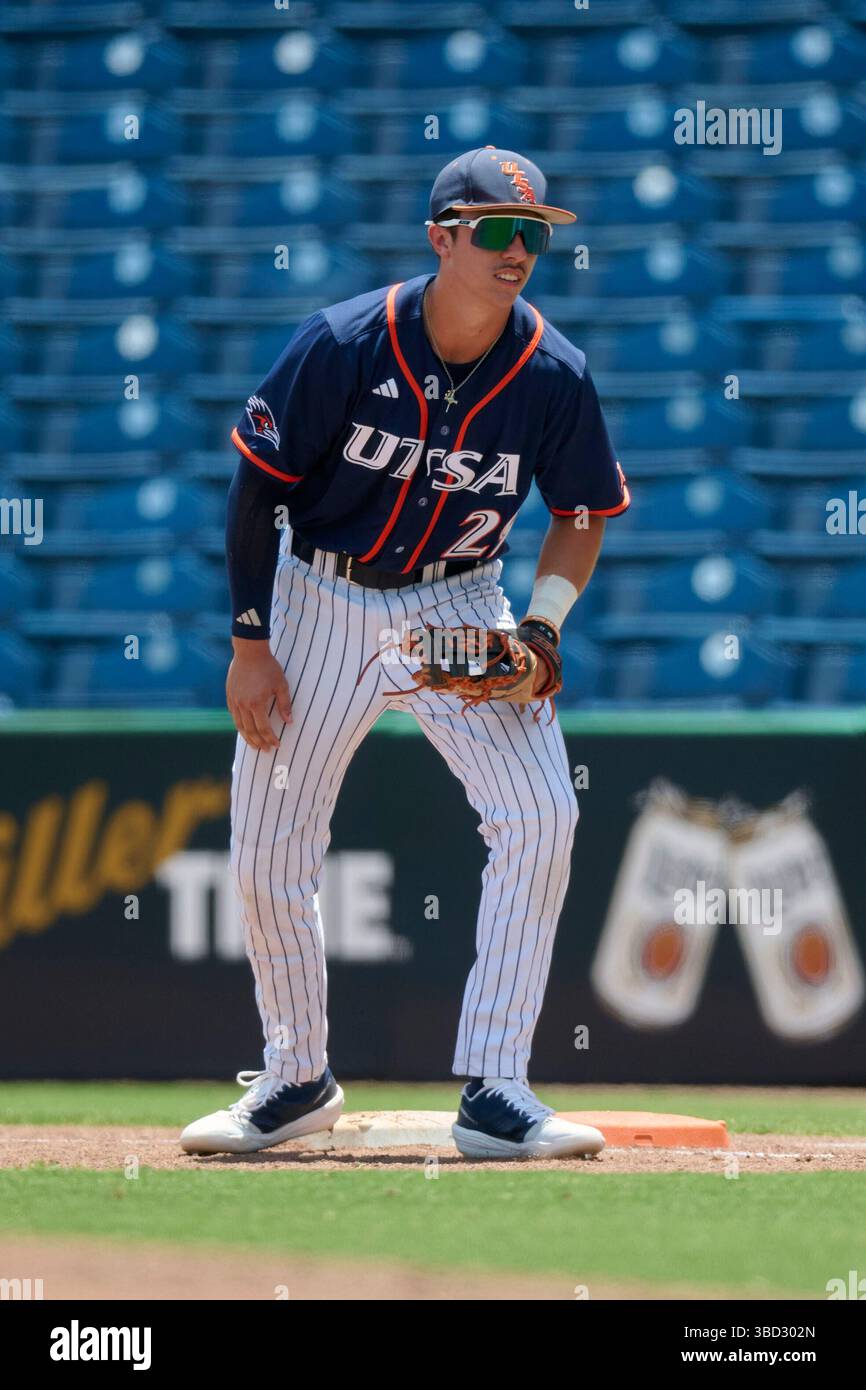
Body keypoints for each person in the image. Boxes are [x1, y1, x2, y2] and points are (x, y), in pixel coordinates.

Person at [180, 147, 629, 1160]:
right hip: (319, 595)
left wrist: (542, 627)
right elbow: (256, 489)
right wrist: (251, 641)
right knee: (267, 850)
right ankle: (294, 1077)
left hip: (459, 607)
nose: (520, 249)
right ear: (443, 235)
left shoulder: (552, 372)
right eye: (497, 229)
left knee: (540, 813)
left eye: (535, 233)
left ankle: (497, 1088)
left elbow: (582, 512)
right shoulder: (341, 342)